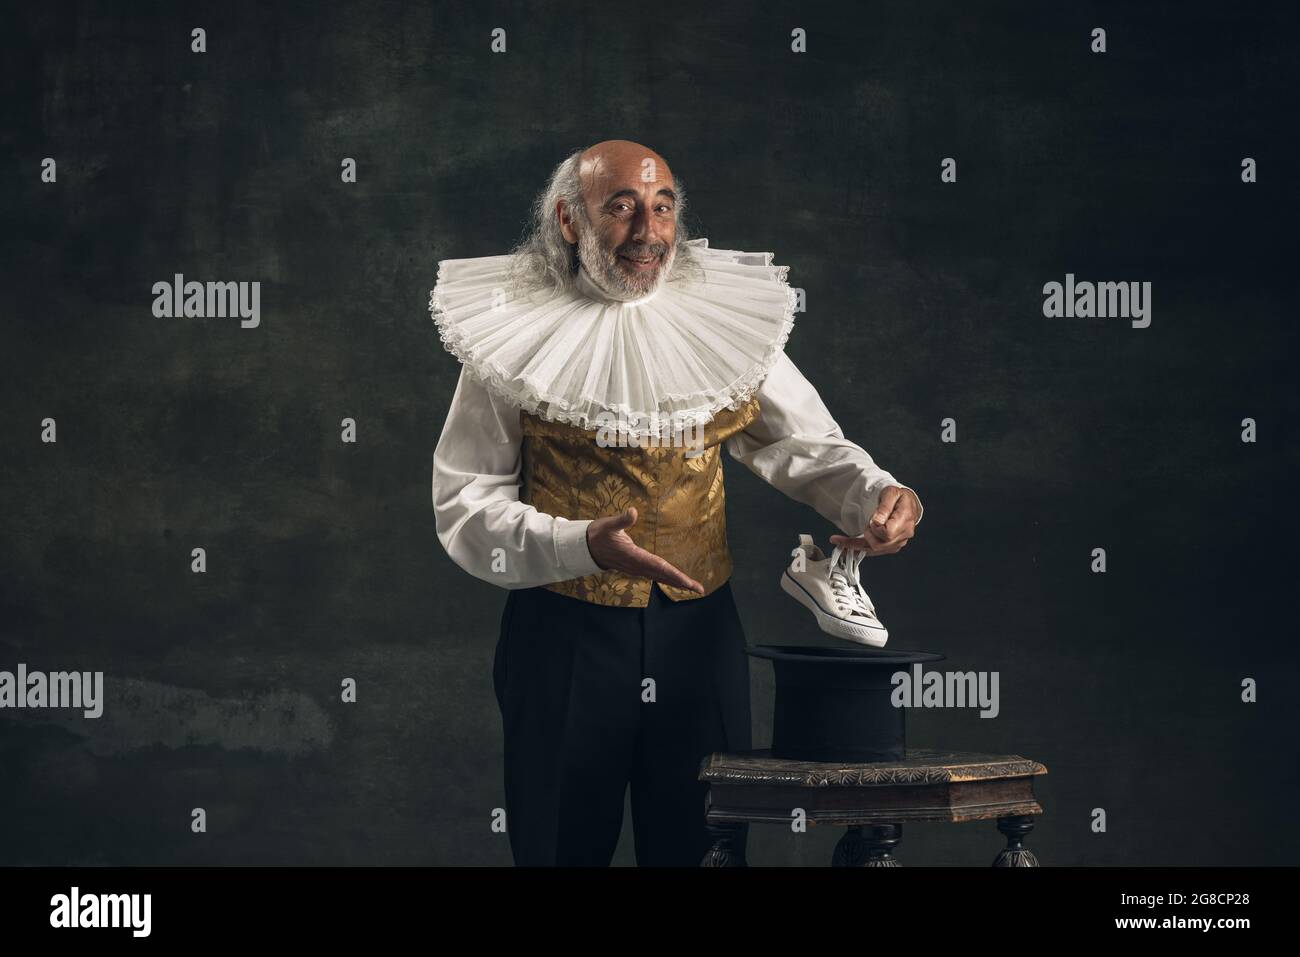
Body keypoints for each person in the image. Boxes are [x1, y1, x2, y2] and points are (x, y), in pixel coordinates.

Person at [430, 140, 923, 866]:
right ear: (569, 221)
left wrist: (877, 494)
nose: (649, 232)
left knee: (706, 851)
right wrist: (580, 544)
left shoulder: (718, 321)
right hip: (563, 636)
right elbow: (464, 505)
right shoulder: (513, 333)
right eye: (621, 206)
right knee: (560, 848)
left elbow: (807, 445)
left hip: (699, 637)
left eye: (663, 208)